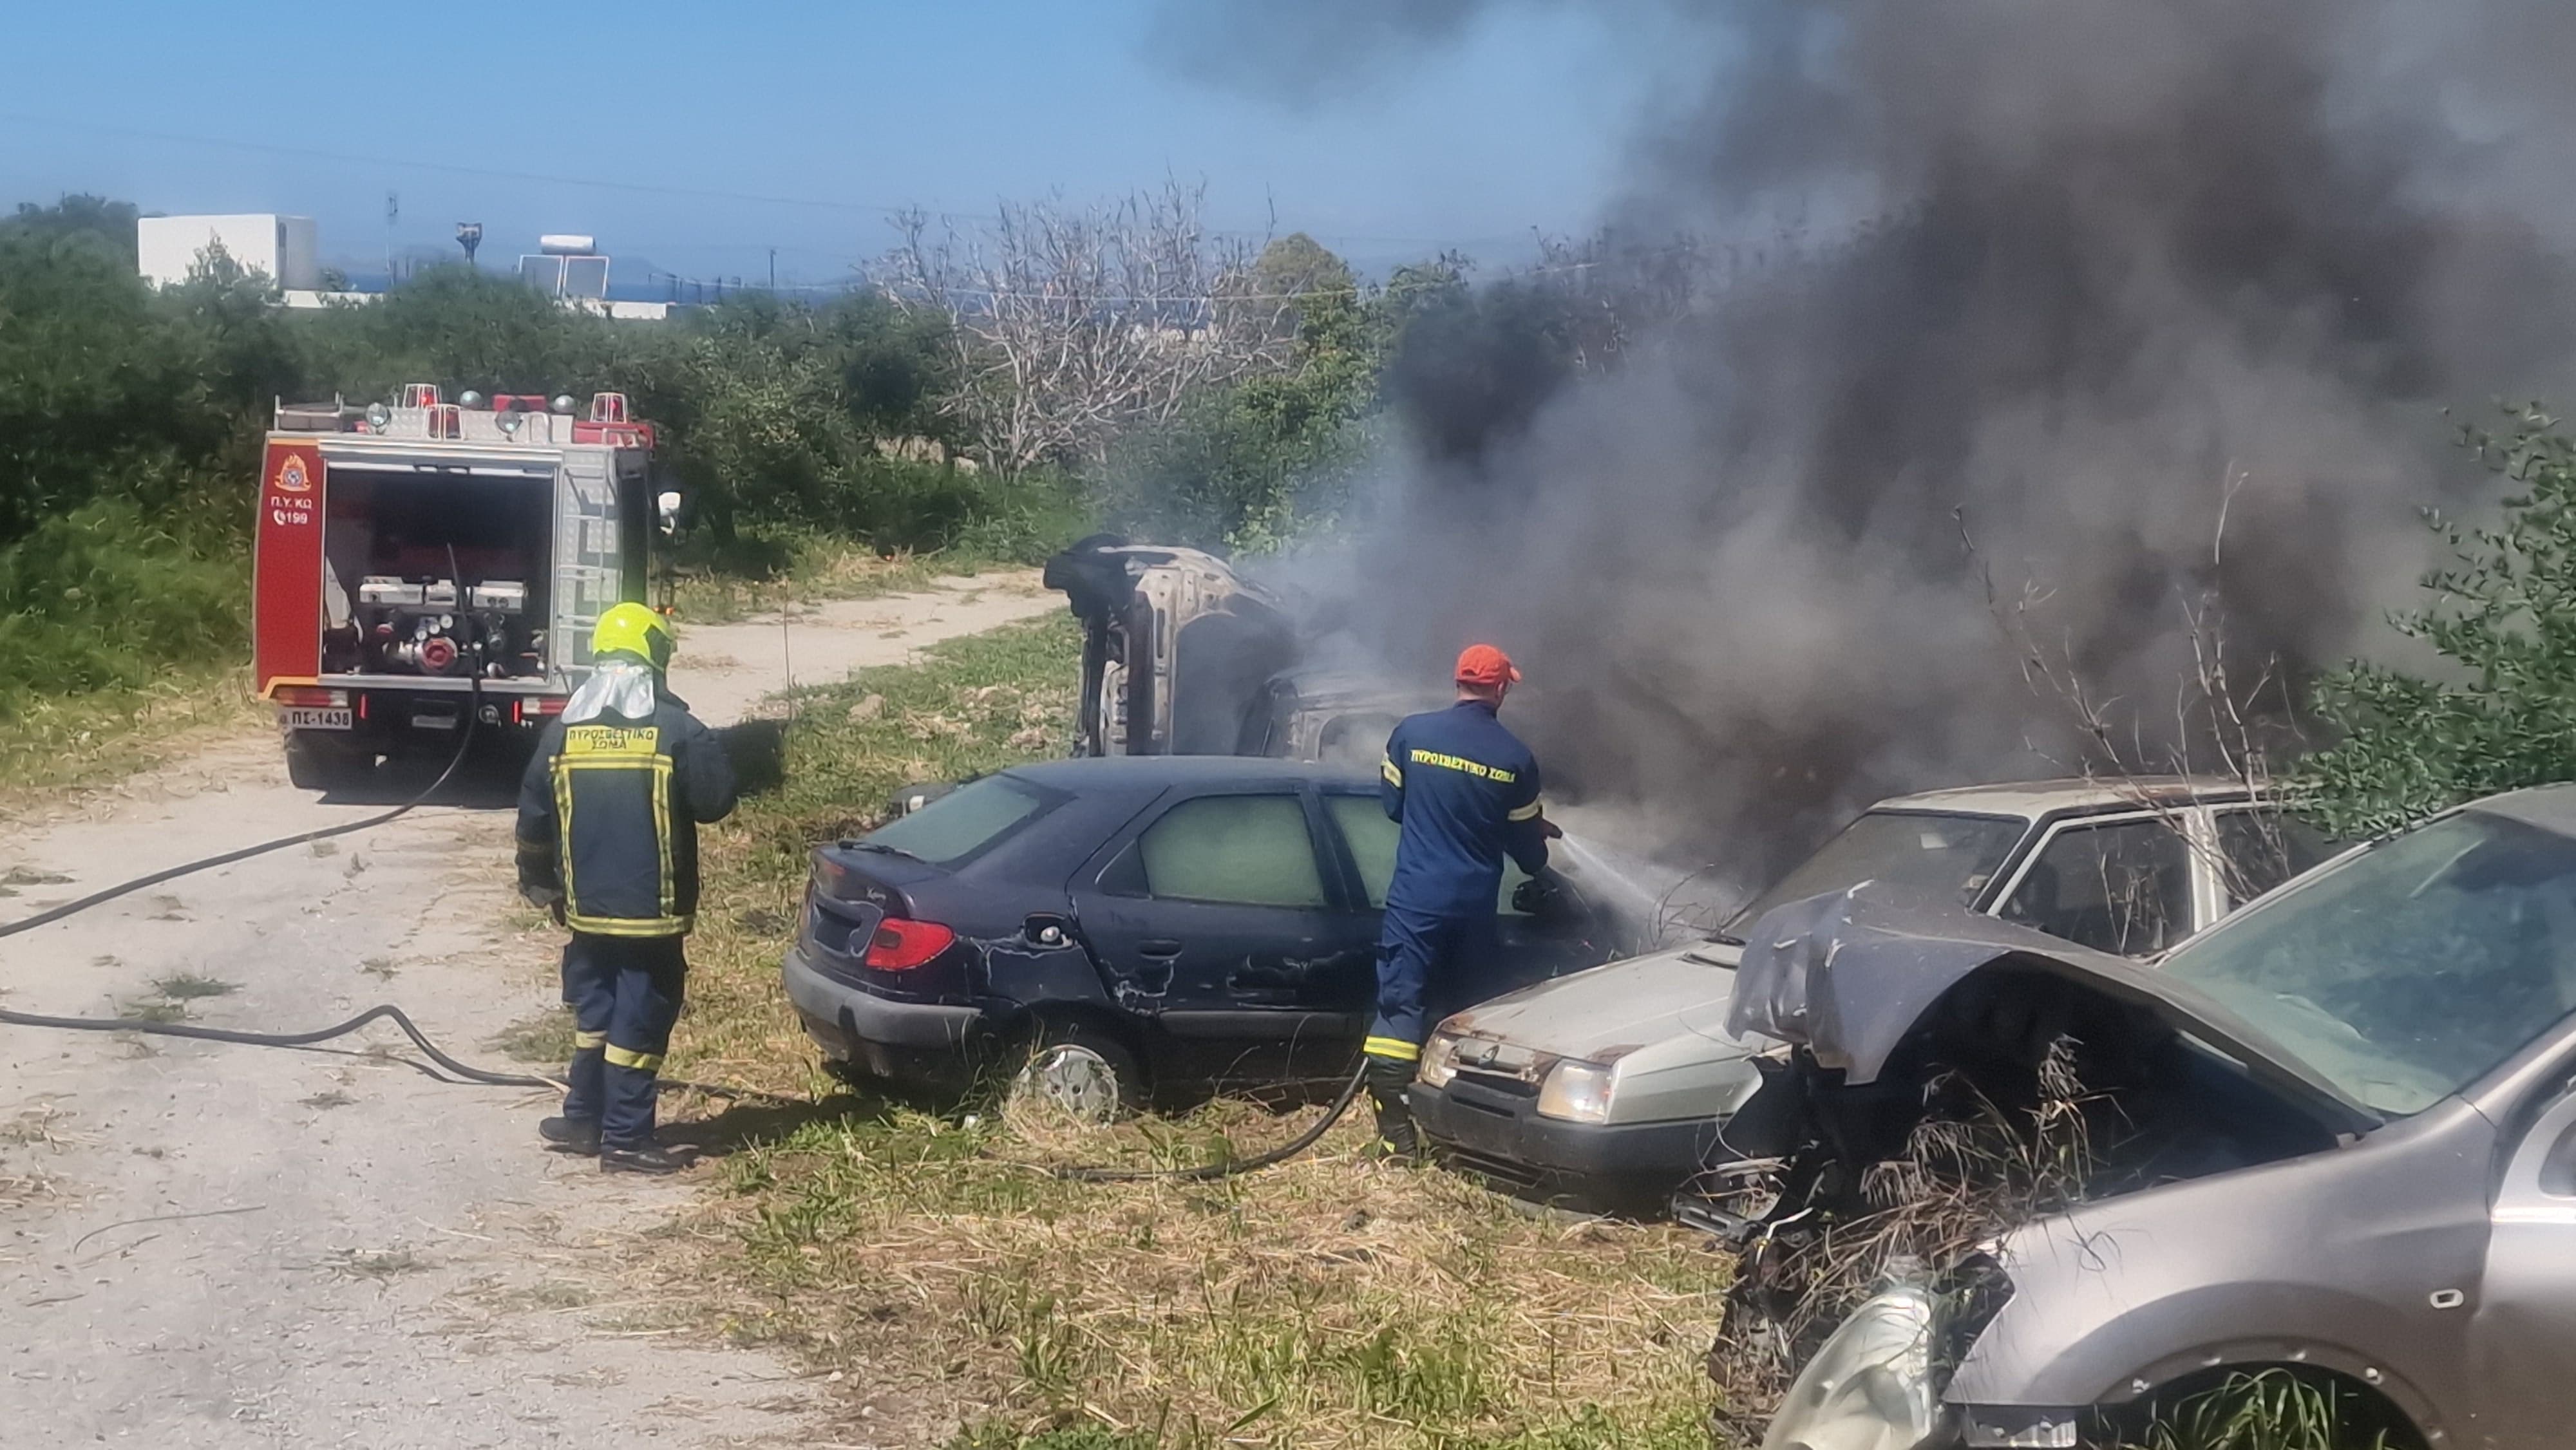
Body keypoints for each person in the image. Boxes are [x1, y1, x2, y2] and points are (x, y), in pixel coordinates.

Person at [515, 603, 738, 1174]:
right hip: (651, 915)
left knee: (595, 1015)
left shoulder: (562, 732)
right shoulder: (675, 728)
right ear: (657, 657)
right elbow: (715, 803)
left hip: (585, 913)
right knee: (639, 1023)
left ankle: (583, 1118)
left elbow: (534, 819)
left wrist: (539, 883)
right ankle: (626, 1139)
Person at [1367, 643, 1554, 1158]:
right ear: (1500, 688)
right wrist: (1533, 839)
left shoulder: (1412, 734)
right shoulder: (1515, 757)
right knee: (1472, 1009)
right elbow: (1528, 853)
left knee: (1400, 1004)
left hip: (1416, 899)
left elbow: (1392, 806)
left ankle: (1397, 1136)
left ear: (1458, 681)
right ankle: (1467, 1127)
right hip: (1474, 906)